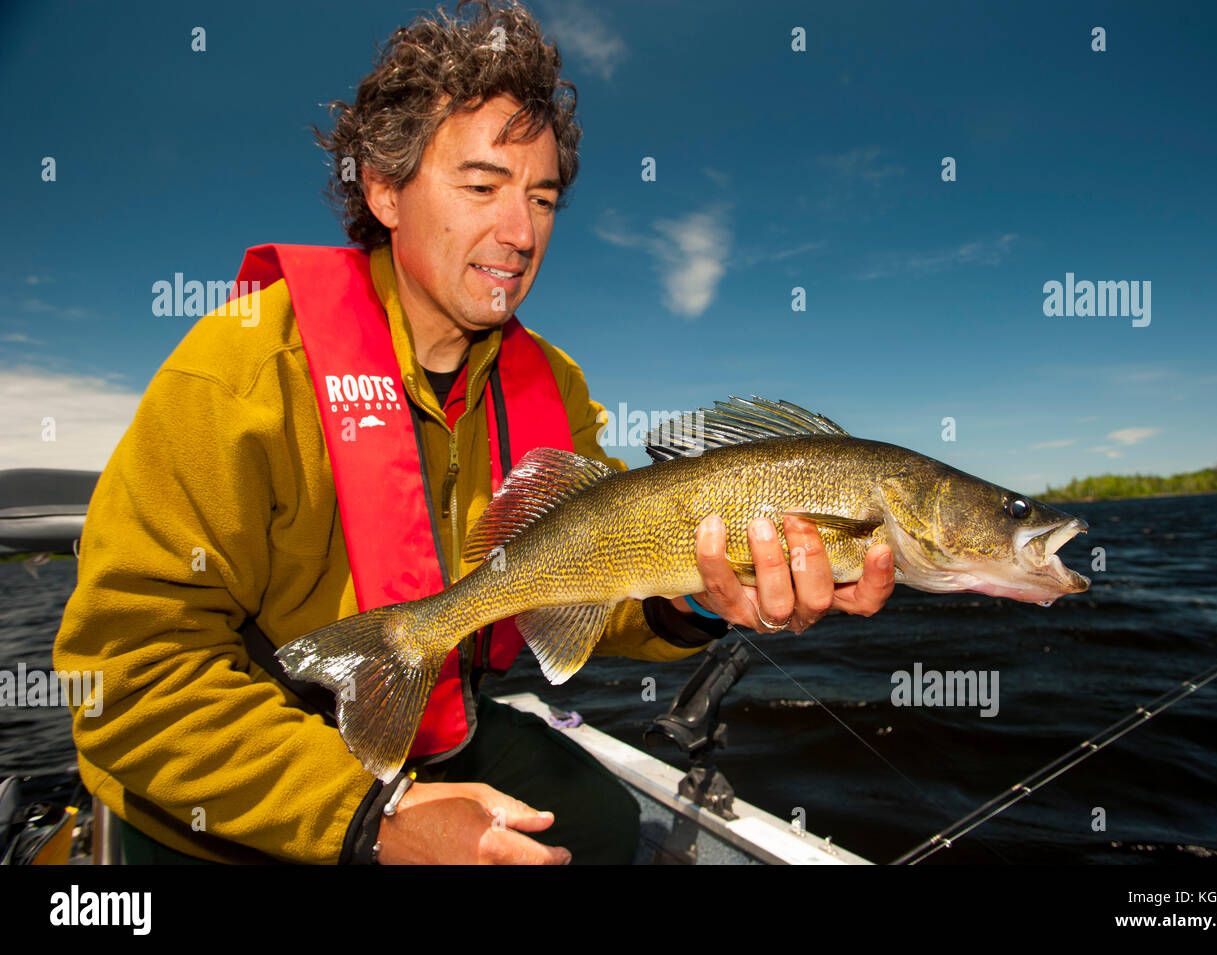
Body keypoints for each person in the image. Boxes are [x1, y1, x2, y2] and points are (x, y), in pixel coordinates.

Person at [53, 0, 895, 865]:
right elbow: (124, 677)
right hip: (233, 785)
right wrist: (374, 820)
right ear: (383, 188)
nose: (521, 232)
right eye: (482, 185)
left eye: (541, 197)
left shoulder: (553, 384)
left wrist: (701, 597)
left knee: (600, 830)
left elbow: (588, 596)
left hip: (429, 729)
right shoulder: (239, 368)